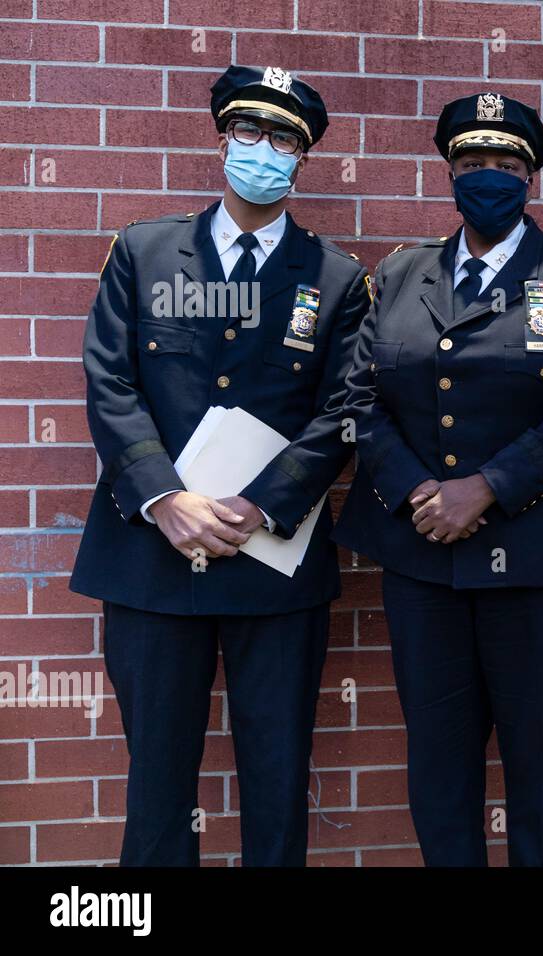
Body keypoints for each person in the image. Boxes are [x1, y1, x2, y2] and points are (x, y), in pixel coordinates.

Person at [70, 65, 372, 865]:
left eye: (283, 140)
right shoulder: (142, 251)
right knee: (157, 786)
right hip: (150, 559)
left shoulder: (337, 278)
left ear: (302, 158)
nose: (263, 151)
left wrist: (265, 503)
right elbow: (110, 382)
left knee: (277, 782)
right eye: (249, 132)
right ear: (223, 138)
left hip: (272, 563)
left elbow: (344, 408)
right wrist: (163, 496)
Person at [333, 92, 543, 867]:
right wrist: (418, 492)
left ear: (530, 175)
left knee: (539, 769)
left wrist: (488, 487)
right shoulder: (400, 274)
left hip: (541, 562)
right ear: (449, 171)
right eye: (471, 163)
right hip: (423, 559)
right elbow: (357, 396)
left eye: (504, 163)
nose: (486, 176)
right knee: (437, 764)